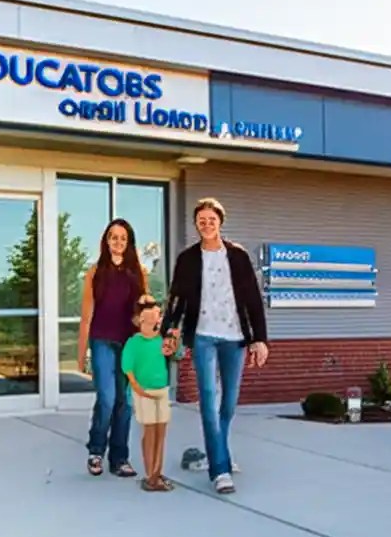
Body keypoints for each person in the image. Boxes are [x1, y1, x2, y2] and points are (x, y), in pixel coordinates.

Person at [164, 198, 268, 495]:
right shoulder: (188, 259)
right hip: (203, 336)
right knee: (209, 400)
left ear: (220, 222)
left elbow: (252, 300)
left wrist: (259, 338)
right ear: (196, 224)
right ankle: (220, 469)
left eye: (211, 219)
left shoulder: (237, 256)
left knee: (229, 403)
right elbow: (176, 299)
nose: (206, 224)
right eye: (201, 220)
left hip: (235, 337)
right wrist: (170, 330)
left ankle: (216, 451)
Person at [77, 218, 150, 478]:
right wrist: (81, 353)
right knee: (106, 398)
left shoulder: (138, 271)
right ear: (106, 241)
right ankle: (96, 450)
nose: (117, 242)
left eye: (122, 238)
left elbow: (144, 313)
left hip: (128, 344)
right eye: (113, 237)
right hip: (101, 341)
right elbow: (87, 315)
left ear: (128, 242)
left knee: (125, 402)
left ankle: (119, 458)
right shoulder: (95, 271)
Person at [122, 294, 173, 492]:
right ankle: (150, 474)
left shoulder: (162, 339)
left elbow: (176, 354)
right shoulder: (134, 342)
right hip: (144, 391)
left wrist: (173, 345)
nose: (155, 316)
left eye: (157, 312)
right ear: (139, 318)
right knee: (150, 430)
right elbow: (127, 366)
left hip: (162, 389)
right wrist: (135, 387)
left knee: (161, 431)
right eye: (150, 310)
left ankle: (156, 473)